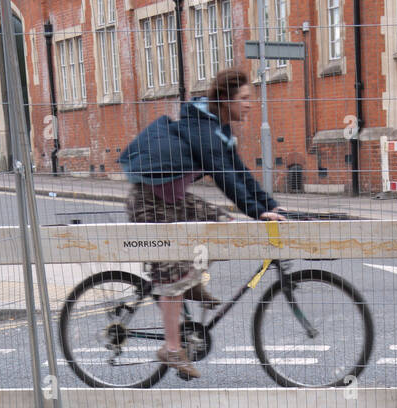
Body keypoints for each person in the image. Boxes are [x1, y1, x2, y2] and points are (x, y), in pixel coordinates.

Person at [120, 69, 286, 380]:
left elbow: (240, 173)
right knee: (173, 276)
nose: (250, 104)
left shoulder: (217, 128)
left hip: (171, 200)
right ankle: (171, 348)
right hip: (149, 204)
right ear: (225, 100)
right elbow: (225, 178)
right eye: (244, 98)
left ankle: (192, 282)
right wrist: (258, 212)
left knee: (223, 224)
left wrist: (269, 206)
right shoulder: (204, 131)